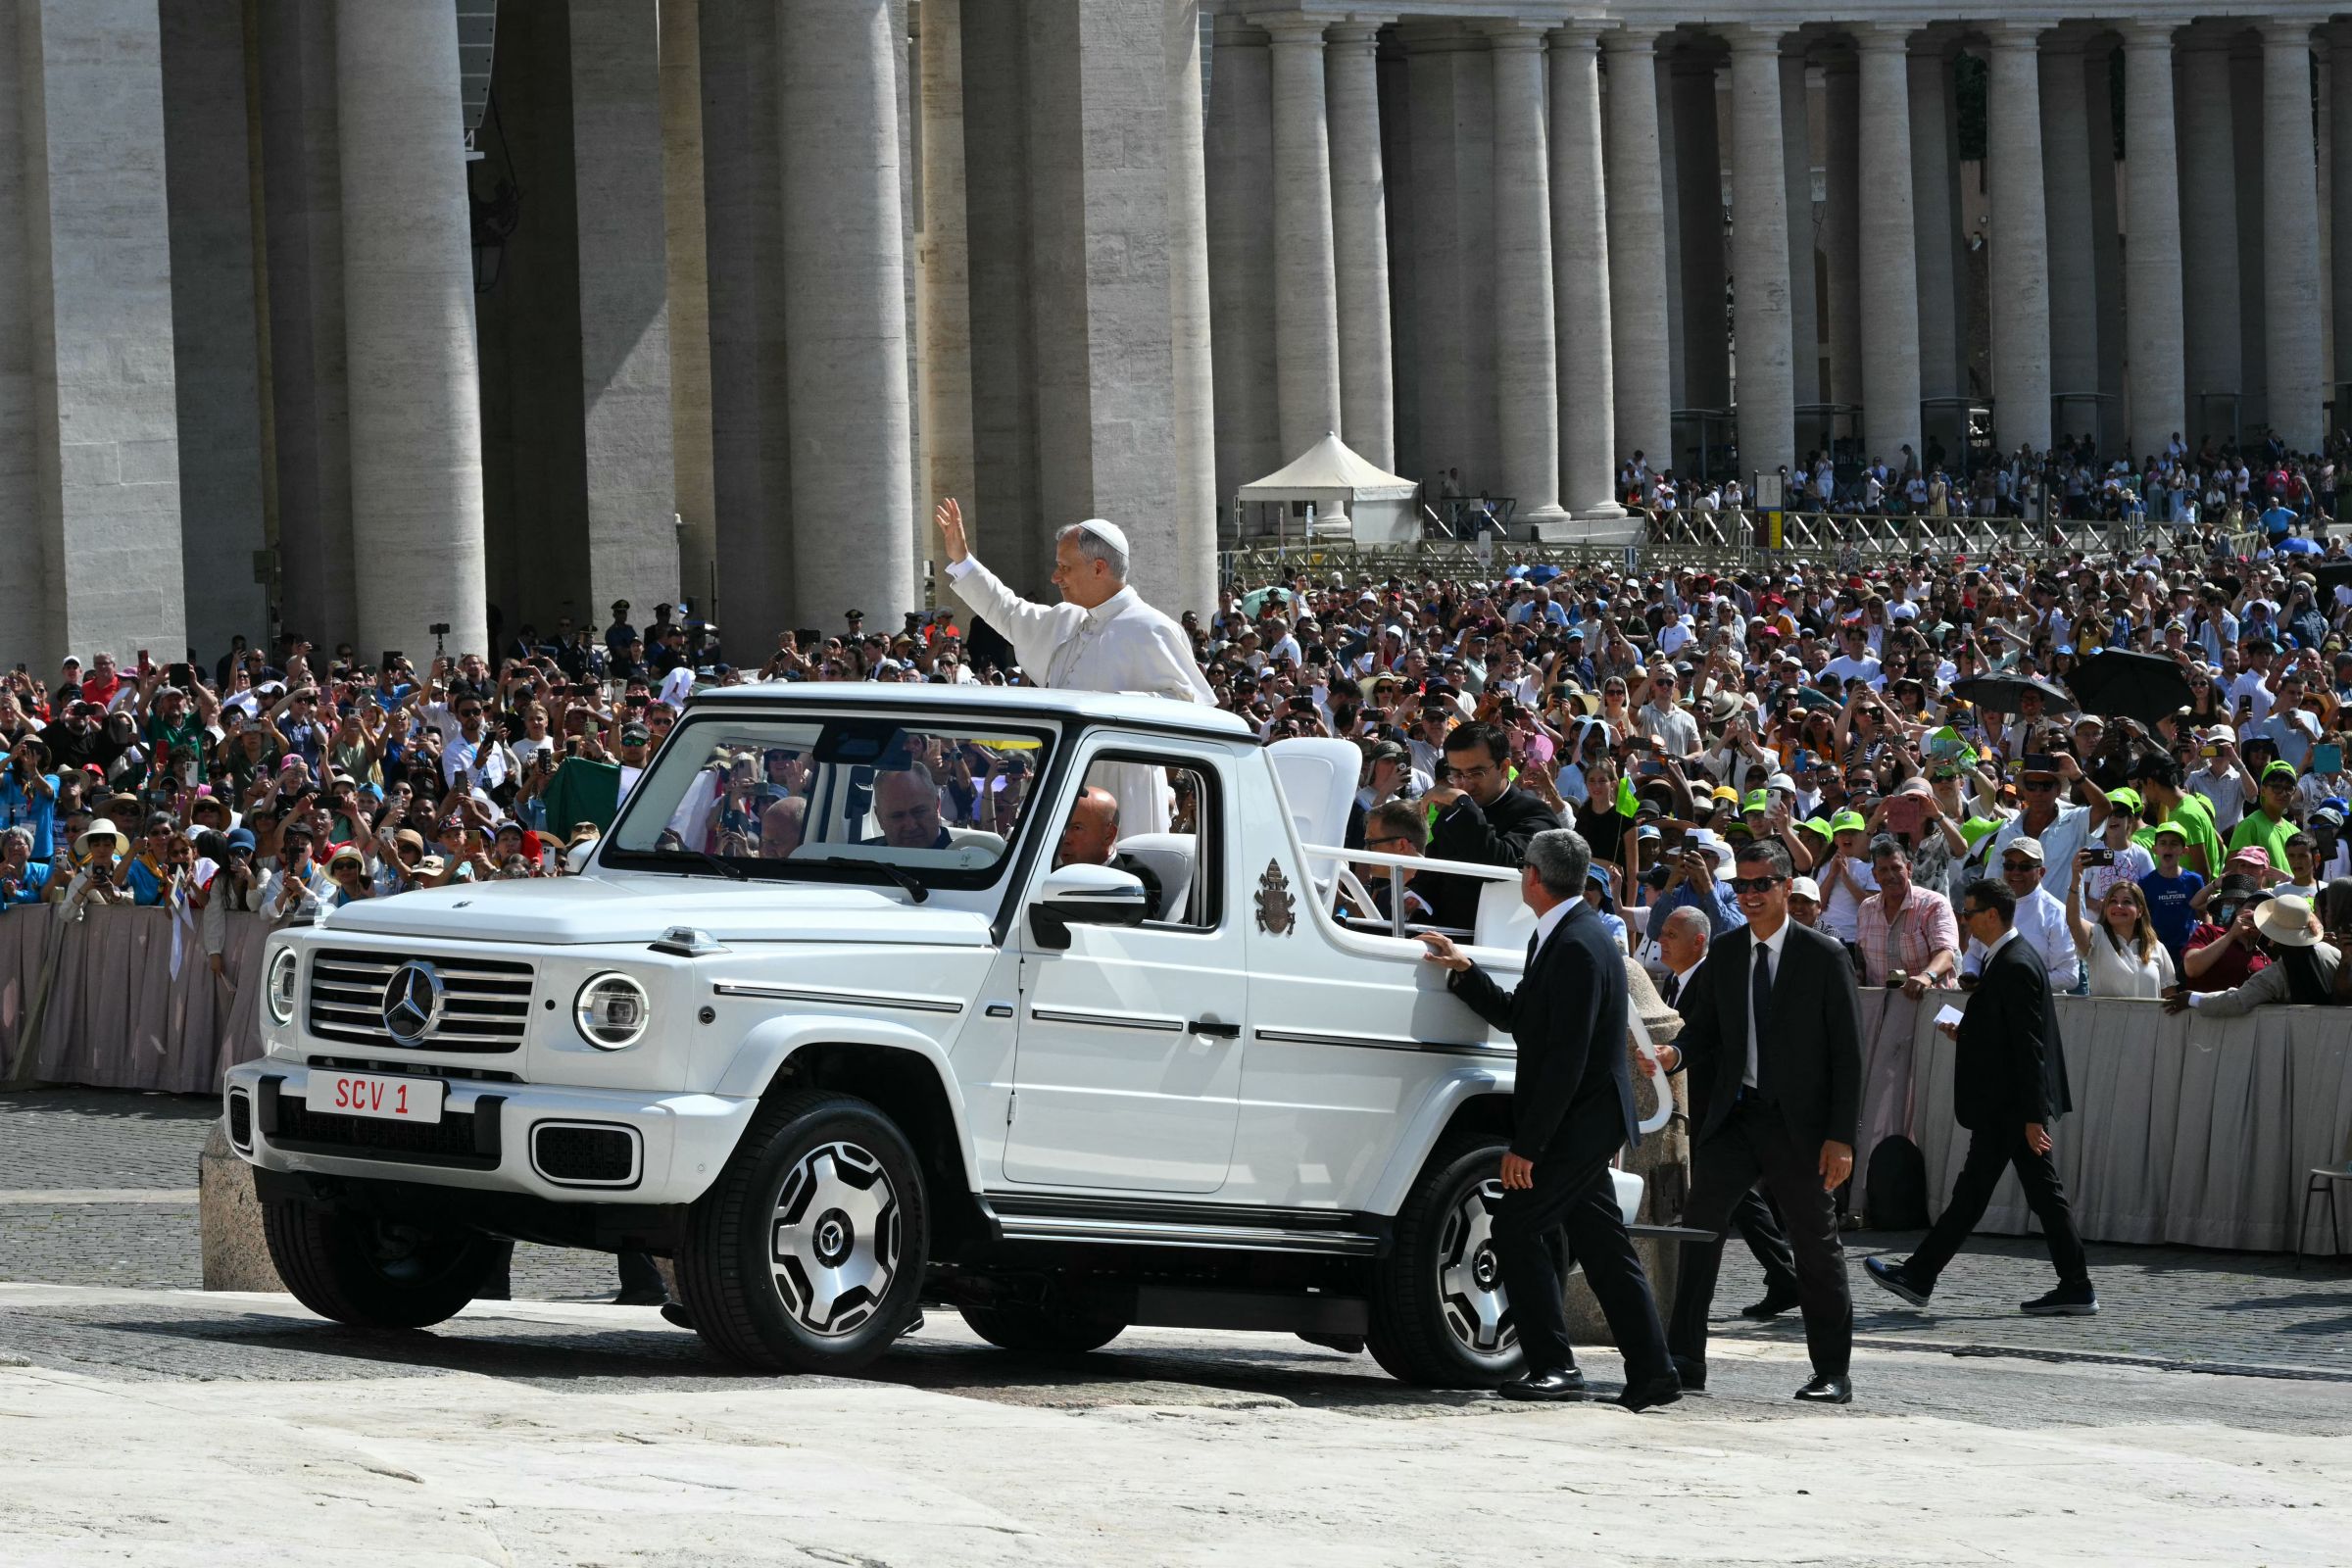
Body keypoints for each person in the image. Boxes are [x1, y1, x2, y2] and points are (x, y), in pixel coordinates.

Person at [1416, 829, 1681, 1409]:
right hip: (1581, 1118)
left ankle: (1555, 1365)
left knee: (1516, 1227)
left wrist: (1528, 1146)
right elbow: (1523, 1019)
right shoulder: (1565, 935)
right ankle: (1654, 1372)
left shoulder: (1578, 945)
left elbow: (1566, 1057)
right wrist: (1463, 971)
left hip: (1579, 1122)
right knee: (1604, 1245)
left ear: (1533, 876)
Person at [1651, 839, 1863, 1404]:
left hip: (1802, 1128)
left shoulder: (1824, 956)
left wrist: (1841, 1138)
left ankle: (1831, 1372)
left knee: (1816, 1246)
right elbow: (1703, 1030)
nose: (1748, 895)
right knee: (1699, 1232)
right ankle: (1684, 1359)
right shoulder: (1723, 953)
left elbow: (1848, 1055)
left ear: (1786, 887)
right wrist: (1675, 1055)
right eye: (1739, 885)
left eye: (1759, 884)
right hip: (1736, 1118)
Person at [1869, 877, 2097, 1317]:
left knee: (1983, 1194)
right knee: (2014, 1195)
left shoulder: (2014, 963)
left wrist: (2033, 1116)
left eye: (1970, 912)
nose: (1965, 921)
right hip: (2008, 1104)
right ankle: (2074, 1284)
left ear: (1992, 915)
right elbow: (2009, 1035)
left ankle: (1921, 1275)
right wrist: (1968, 1033)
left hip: (2009, 1107)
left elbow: (2031, 1046)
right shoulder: (2010, 959)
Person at [936, 500, 1210, 832]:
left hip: (1124, 787)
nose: (1055, 577)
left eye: (1064, 568)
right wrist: (962, 561)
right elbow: (1007, 611)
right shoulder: (1068, 618)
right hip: (1063, 781)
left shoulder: (1152, 628)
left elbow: (1191, 714)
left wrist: (1109, 709)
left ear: (1098, 568)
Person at [1418, 720, 1562, 931]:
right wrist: (1414, 895)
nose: (1465, 784)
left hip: (1499, 946)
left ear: (1504, 768)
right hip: (1443, 937)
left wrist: (1463, 805)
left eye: (1476, 773)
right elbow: (1434, 869)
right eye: (1457, 774)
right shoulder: (1455, 811)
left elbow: (1502, 864)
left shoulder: (1535, 814)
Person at [2166, 893, 2341, 1012]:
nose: (2255, 914)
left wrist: (2193, 999)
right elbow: (2192, 967)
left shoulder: (2274, 974)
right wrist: (2230, 935)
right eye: (2251, 907)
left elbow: (2237, 1001)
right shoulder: (2332, 953)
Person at [1962, 838, 2079, 992]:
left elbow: (2069, 976)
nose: (2015, 872)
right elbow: (1974, 953)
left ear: (2041, 872)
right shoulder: (1990, 906)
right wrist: (1971, 974)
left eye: (2025, 867)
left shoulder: (2056, 913)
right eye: (2009, 866)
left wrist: (2015, 983)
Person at [1855, 837, 1960, 994]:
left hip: (1926, 1002)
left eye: (1896, 868)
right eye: (1883, 870)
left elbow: (1946, 954)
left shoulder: (1934, 904)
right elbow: (1862, 959)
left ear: (1909, 868)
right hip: (1880, 1007)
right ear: (1875, 876)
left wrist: (1926, 976)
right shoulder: (1866, 909)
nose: (1890, 875)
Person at [2065, 854, 2177, 999]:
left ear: (2140, 911)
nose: (2118, 906)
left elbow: (2169, 997)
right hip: (2108, 1021)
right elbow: (2073, 922)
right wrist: (2076, 880)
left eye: (2127, 902)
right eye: (2112, 901)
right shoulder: (2097, 937)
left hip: (2149, 1021)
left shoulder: (2156, 947)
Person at [1054, 784, 1163, 919]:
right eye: (1063, 827)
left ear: (1109, 835)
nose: (1065, 838)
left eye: (1076, 828)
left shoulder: (1137, 880)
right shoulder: (1051, 876)